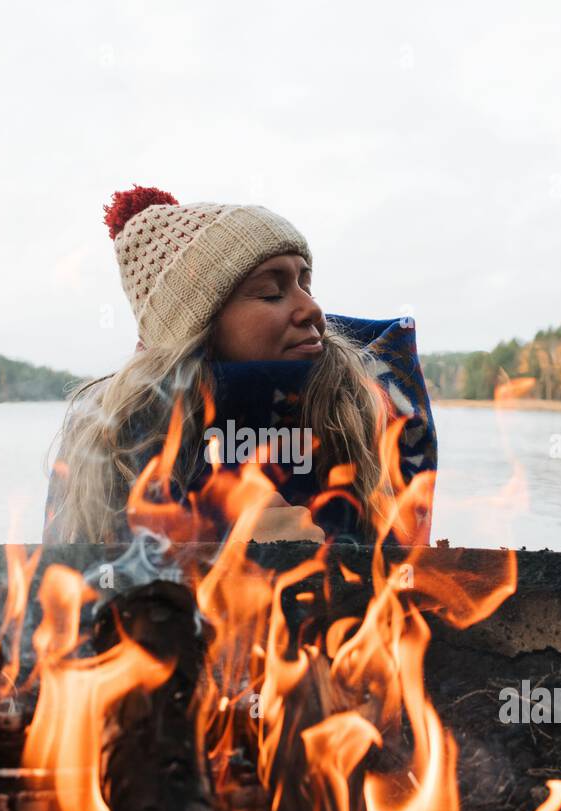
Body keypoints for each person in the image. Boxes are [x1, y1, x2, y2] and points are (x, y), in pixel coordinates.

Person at [43, 185, 436, 546]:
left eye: (306, 284)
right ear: (199, 331)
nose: (313, 309)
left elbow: (398, 600)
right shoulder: (115, 443)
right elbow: (75, 599)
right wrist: (220, 555)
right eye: (270, 292)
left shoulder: (366, 413)